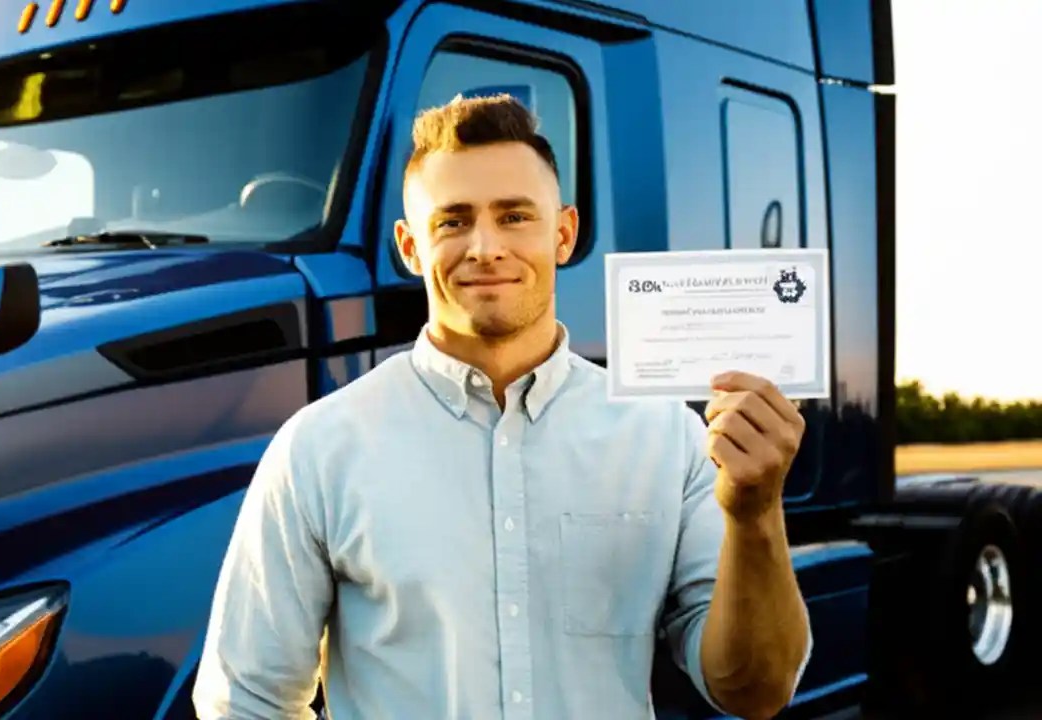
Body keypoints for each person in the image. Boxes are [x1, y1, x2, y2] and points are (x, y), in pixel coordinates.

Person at [192, 94, 812, 720]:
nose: (485, 246)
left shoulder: (670, 440)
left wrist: (756, 514)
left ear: (564, 233)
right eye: (453, 221)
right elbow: (245, 703)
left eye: (515, 216)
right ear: (410, 247)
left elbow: (754, 691)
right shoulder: (319, 448)